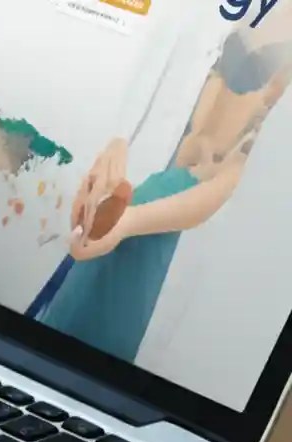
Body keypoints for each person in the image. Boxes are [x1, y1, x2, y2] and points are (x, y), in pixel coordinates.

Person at [26, 13, 292, 363]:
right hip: (133, 194)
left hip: (169, 221)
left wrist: (130, 222)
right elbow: (162, 64)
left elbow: (231, 180)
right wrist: (114, 149)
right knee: (46, 343)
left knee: (90, 367)